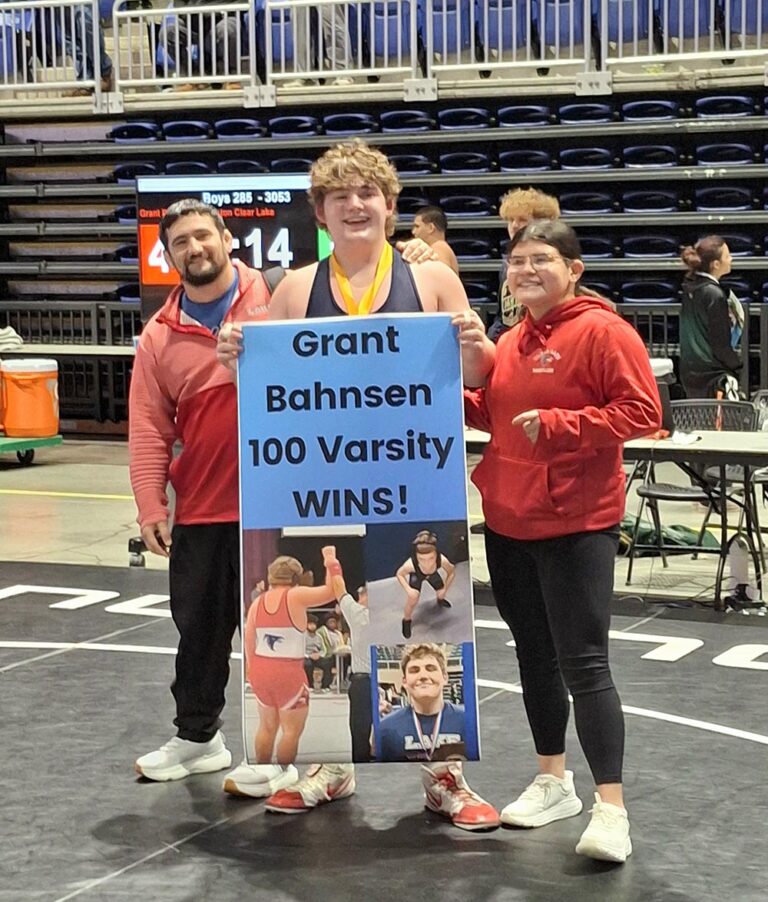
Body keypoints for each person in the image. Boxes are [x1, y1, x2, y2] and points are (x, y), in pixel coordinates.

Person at [218, 139, 499, 831]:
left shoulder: (430, 282)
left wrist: (472, 341)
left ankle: (442, 775)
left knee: (416, 630)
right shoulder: (293, 289)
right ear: (321, 211)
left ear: (389, 205)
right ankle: (329, 764)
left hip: (412, 486)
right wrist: (234, 359)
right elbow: (264, 392)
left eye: (366, 192)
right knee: (329, 634)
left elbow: (479, 376)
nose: (354, 204)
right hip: (319, 491)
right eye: (338, 195)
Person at [461, 219, 661, 862]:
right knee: (533, 658)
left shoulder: (604, 331)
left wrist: (561, 424)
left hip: (577, 523)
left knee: (586, 665)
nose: (525, 271)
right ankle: (554, 780)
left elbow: (643, 413)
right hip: (509, 521)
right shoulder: (511, 339)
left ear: (574, 268)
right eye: (516, 262)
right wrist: (432, 389)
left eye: (541, 260)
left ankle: (612, 808)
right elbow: (493, 413)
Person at [129, 198, 298, 799]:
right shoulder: (158, 336)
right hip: (202, 508)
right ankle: (199, 739)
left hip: (280, 504)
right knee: (198, 629)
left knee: (281, 635)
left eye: (203, 235)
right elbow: (150, 427)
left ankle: (287, 751)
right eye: (180, 242)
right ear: (168, 253)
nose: (194, 248)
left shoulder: (281, 298)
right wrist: (152, 504)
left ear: (228, 239)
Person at [244, 548, 339, 766]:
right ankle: (283, 773)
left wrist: (252, 671)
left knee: (266, 727)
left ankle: (262, 771)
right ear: (296, 578)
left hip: (260, 669)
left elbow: (249, 641)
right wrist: (330, 561)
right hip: (287, 673)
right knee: (291, 731)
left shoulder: (257, 602)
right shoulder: (295, 595)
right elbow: (332, 591)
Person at [489, 188, 561, 341]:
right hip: (513, 341)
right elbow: (503, 318)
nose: (514, 226)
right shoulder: (507, 264)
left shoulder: (556, 262)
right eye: (510, 220)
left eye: (522, 220)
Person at [377, 644, 466, 763]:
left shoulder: (468, 721)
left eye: (431, 668)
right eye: (414, 670)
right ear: (405, 681)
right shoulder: (385, 728)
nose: (423, 676)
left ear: (445, 677)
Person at [679, 236, 742, 399]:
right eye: (727, 256)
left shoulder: (689, 289)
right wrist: (736, 364)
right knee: (719, 423)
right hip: (713, 375)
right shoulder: (714, 294)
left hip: (690, 371)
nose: (731, 259)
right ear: (716, 264)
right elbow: (720, 342)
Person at [159, 0, 242, 91]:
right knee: (168, 33)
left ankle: (232, 78)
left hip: (222, 18)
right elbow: (178, 5)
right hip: (193, 23)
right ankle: (191, 77)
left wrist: (205, 8)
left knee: (227, 28)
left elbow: (240, 2)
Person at [332, 577, 373, 762]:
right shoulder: (395, 617)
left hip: (364, 681)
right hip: (390, 681)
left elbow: (338, 587)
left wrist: (331, 560)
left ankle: (362, 765)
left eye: (360, 593)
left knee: (360, 733)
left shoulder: (359, 614)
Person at [396, 529, 456, 639]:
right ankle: (406, 620)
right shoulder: (410, 564)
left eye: (431, 558)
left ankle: (440, 600)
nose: (427, 562)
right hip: (417, 575)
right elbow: (399, 574)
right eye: (422, 559)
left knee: (441, 593)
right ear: (417, 557)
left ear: (436, 554)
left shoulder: (442, 560)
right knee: (412, 599)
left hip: (432, 574)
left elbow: (451, 572)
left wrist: (445, 589)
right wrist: (409, 590)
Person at [411, 206, 459, 274]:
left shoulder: (439, 248)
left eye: (417, 226)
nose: (413, 232)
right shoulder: (441, 248)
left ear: (431, 228)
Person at [304, 615, 332, 689]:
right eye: (310, 624)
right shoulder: (303, 636)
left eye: (314, 624)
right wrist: (309, 656)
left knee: (327, 663)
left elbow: (324, 649)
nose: (312, 626)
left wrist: (319, 655)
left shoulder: (319, 636)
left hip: (317, 656)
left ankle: (325, 686)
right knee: (308, 665)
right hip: (307, 656)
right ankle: (310, 685)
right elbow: (300, 649)